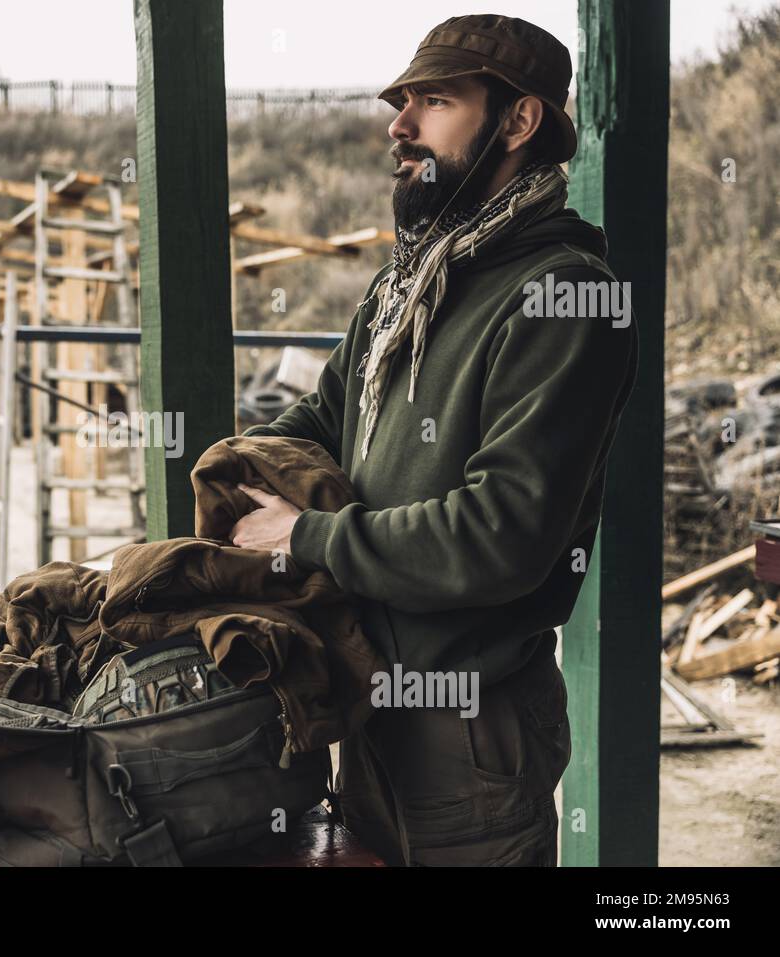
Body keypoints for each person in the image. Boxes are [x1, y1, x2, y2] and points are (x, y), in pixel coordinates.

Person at [231, 14, 639, 866]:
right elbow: (323, 418)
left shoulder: (564, 300)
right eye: (402, 103)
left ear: (519, 122)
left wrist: (304, 535)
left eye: (436, 101)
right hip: (371, 700)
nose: (400, 126)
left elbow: (503, 534)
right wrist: (237, 471)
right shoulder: (410, 281)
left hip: (472, 729)